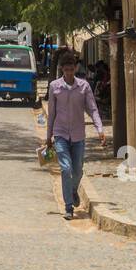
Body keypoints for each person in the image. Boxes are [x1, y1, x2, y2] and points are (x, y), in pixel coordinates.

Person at [44, 52, 106, 220]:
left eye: (72, 69)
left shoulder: (84, 87)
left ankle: (72, 190)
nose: (69, 73)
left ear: (75, 68)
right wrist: (48, 136)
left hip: (78, 135)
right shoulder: (55, 87)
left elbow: (92, 109)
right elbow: (51, 113)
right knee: (66, 169)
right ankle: (68, 207)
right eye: (66, 70)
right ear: (62, 69)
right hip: (60, 134)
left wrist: (100, 129)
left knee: (78, 171)